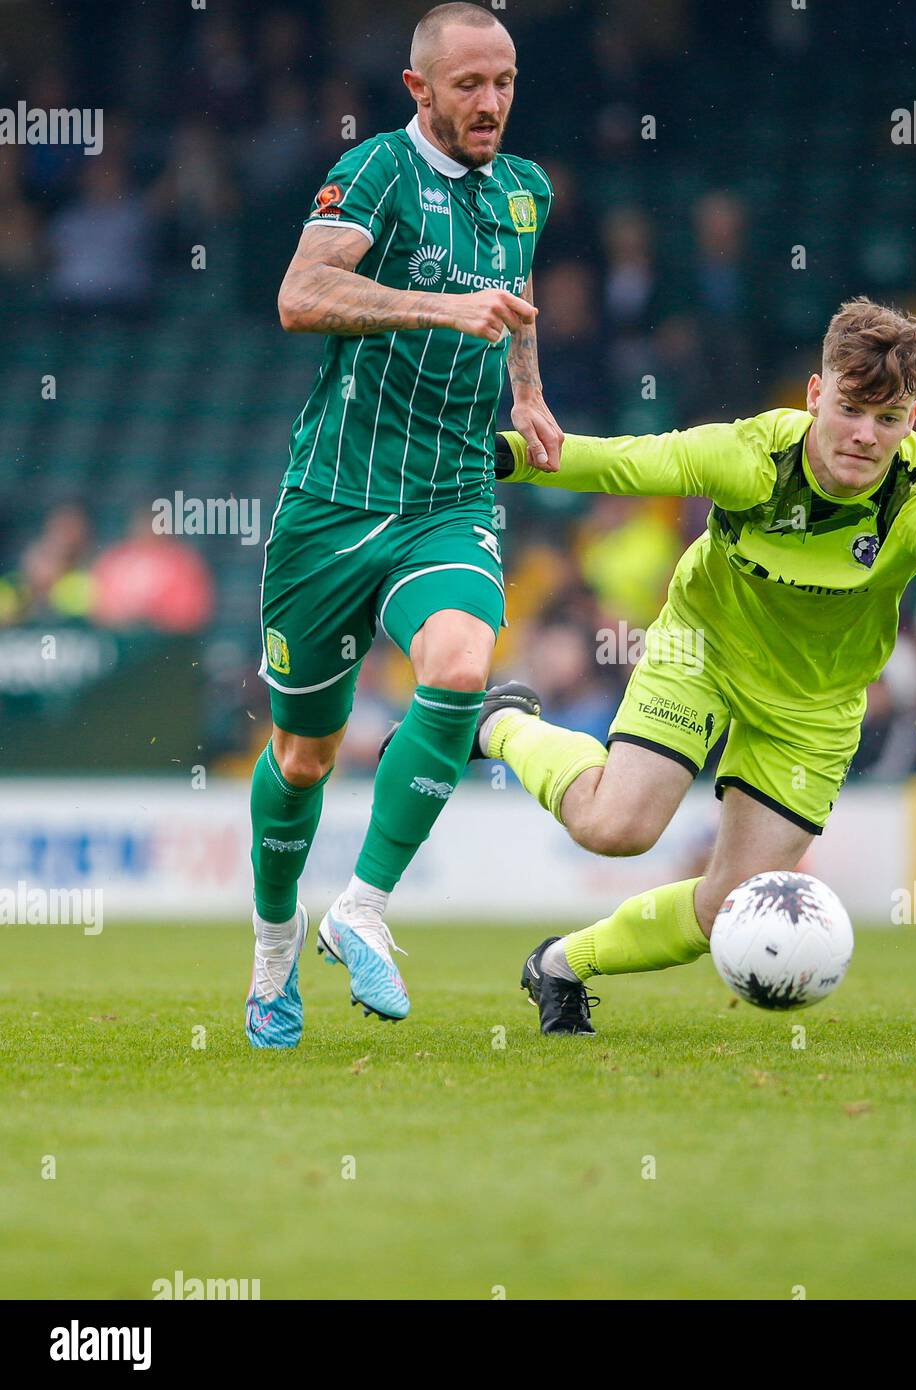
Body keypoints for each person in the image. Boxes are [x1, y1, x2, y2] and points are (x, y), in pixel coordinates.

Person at [482, 297, 916, 1034]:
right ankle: (502, 722)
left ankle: (560, 966)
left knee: (725, 909)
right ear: (814, 395)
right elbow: (624, 464)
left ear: (914, 422)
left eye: (890, 419)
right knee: (617, 827)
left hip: (814, 704)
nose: (866, 437)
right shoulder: (753, 458)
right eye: (850, 409)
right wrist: (503, 456)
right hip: (701, 650)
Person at [245, 3, 562, 1048]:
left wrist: (526, 394)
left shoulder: (526, 191)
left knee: (463, 667)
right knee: (302, 755)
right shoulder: (376, 171)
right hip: (333, 503)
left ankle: (362, 907)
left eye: (505, 80)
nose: (492, 102)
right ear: (417, 89)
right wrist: (438, 307)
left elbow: (512, 300)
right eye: (469, 84)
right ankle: (273, 956)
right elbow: (301, 294)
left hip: (449, 499)